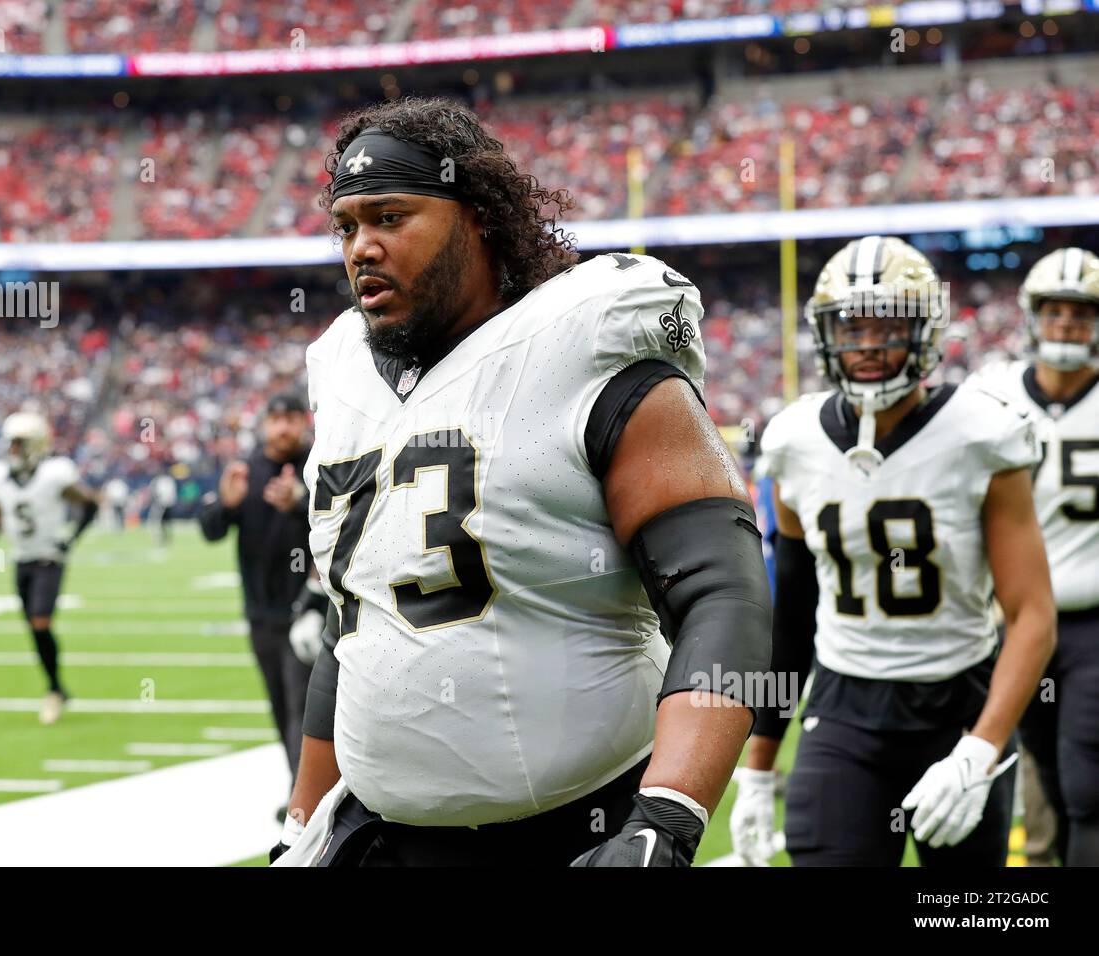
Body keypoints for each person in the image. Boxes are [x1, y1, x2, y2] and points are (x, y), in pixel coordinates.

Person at [273, 96, 771, 867]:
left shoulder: (585, 336)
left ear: (477, 216)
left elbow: (721, 591)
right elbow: (356, 631)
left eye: (390, 217)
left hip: (575, 831)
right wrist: (298, 824)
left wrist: (668, 816)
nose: (361, 247)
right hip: (382, 839)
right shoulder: (341, 372)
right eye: (347, 226)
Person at [729, 236, 1056, 867]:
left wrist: (979, 751)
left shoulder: (982, 433)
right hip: (845, 709)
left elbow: (1033, 614)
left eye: (890, 324)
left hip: (961, 704)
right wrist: (760, 767)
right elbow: (793, 615)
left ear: (925, 330)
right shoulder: (795, 440)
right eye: (852, 326)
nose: (870, 344)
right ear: (826, 334)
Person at [972, 247, 1099, 866]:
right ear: (1033, 317)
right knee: (1036, 768)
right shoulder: (991, 395)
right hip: (1012, 621)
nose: (1068, 325)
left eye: (1081, 313)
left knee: (1085, 780)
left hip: (1090, 620)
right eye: (1056, 311)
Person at [198, 392, 315, 802]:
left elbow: (347, 519)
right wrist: (226, 508)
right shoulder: (244, 470)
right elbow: (209, 529)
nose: (283, 427)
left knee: (304, 710)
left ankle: (305, 799)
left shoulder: (320, 464)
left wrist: (301, 502)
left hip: (310, 612)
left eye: (291, 418)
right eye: (276, 418)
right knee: (280, 706)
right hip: (261, 613)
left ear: (304, 422)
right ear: (265, 423)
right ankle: (299, 788)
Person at [0, 412, 99, 725]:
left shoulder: (54, 473)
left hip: (49, 558)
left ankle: (52, 690)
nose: (13, 449)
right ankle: (58, 687)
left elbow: (90, 504)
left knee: (39, 621)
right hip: (21, 558)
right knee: (34, 629)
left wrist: (70, 540)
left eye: (18, 443)